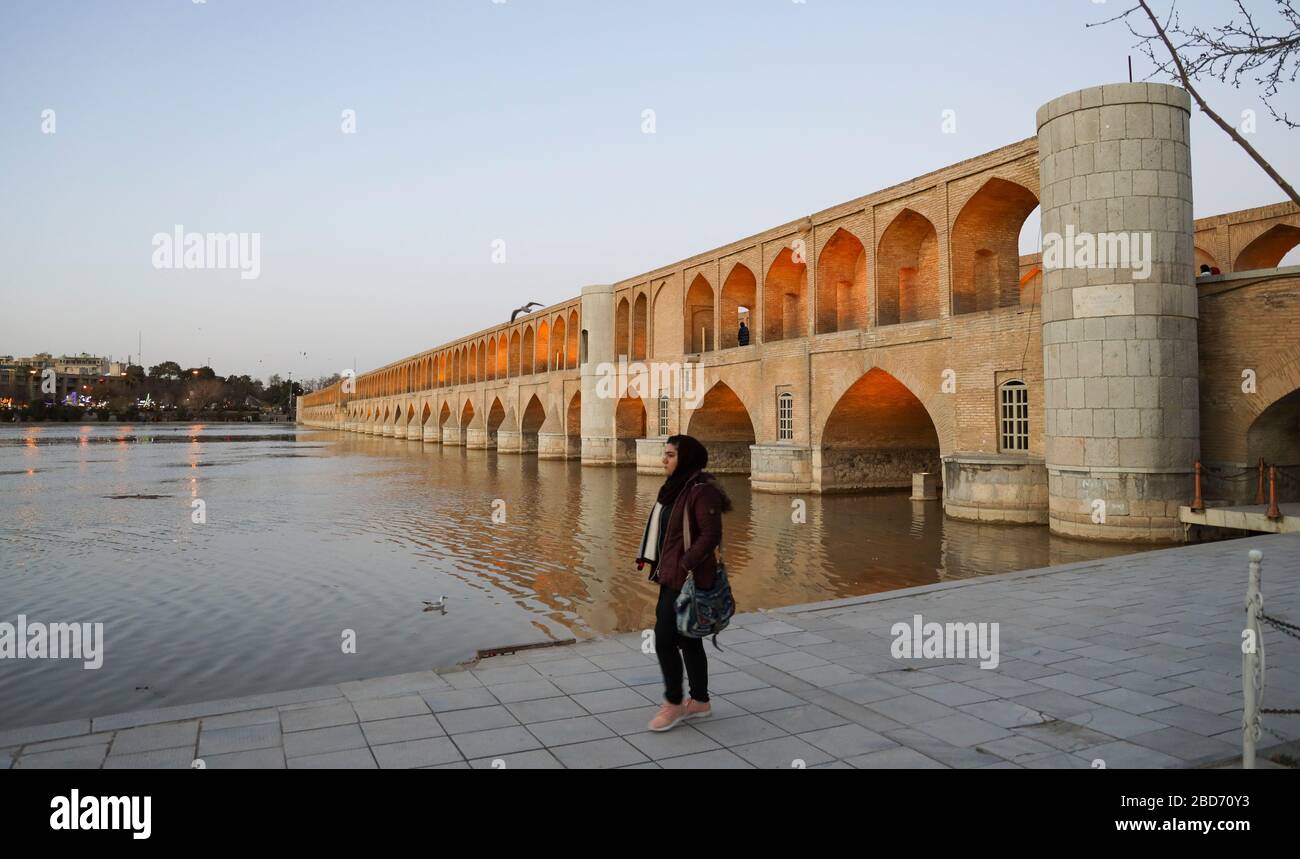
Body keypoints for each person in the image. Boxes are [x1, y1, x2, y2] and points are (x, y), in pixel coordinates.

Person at [635, 434, 732, 732]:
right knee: (689, 639)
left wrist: (684, 563)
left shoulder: (702, 492)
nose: (664, 459)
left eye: (670, 454)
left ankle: (675, 704)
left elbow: (710, 535)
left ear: (686, 458)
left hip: (686, 578)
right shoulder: (675, 489)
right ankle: (700, 702)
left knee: (663, 639)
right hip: (671, 575)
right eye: (665, 454)